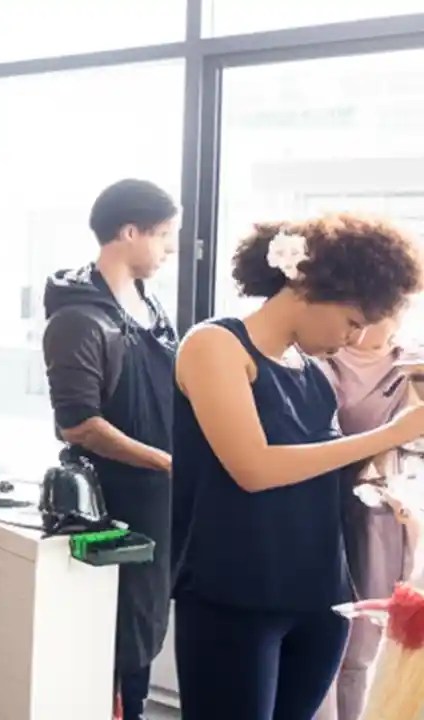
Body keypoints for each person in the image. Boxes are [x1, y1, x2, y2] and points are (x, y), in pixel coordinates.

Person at [172, 213, 424, 719]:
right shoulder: (215, 346)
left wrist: (390, 482)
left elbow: (318, 474)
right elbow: (253, 467)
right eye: (352, 321)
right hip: (235, 595)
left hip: (319, 600)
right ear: (311, 285)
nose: (354, 340)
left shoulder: (313, 376)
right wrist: (391, 432)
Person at [41, 178, 179, 719]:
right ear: (129, 232)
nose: (168, 248)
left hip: (160, 498)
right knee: (110, 635)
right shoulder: (79, 318)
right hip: (115, 502)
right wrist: (164, 461)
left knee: (145, 626)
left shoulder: (148, 305)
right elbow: (79, 426)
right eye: (164, 235)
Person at [315, 315, 413, 720]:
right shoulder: (320, 359)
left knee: (363, 647)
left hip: (383, 515)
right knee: (322, 642)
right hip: (322, 506)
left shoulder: (410, 364)